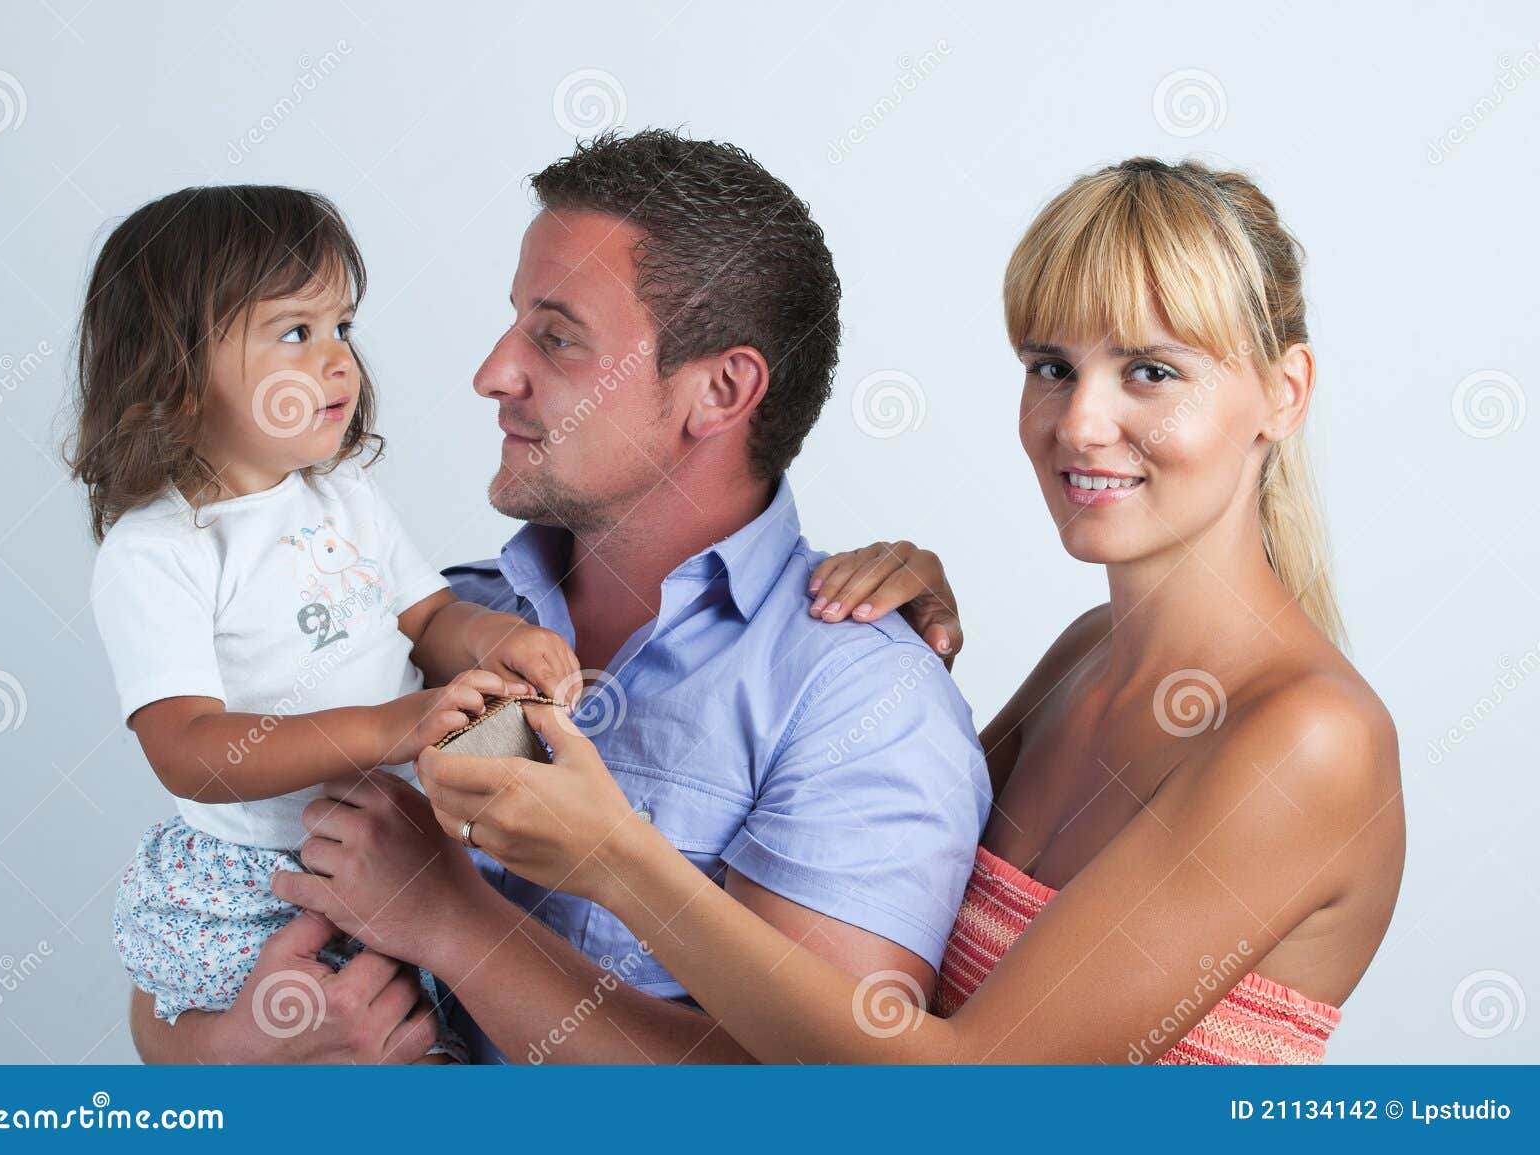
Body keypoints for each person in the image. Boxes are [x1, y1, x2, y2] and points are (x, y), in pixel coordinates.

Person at [416, 157, 1407, 1064]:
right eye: (1051, 366)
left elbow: (968, 1100)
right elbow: (891, 883)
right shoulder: (1089, 655)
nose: (1079, 422)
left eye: (1150, 370)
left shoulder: (1310, 741)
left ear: (1285, 392)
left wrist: (615, 863)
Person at [129, 132, 992, 1064]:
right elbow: (181, 953)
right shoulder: (430, 615)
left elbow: (828, 1107)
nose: (493, 372)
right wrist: (235, 1048)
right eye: (512, 323)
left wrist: (455, 923)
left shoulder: (862, 701)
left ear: (721, 389)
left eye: (556, 335)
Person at [73, 186, 578, 1064]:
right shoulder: (160, 550)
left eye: (342, 327)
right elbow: (187, 748)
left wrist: (496, 641)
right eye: (296, 333)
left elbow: (429, 618)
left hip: (387, 854)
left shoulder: (344, 496)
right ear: (174, 374)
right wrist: (388, 730)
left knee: (424, 1044)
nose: (339, 361)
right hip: (255, 884)